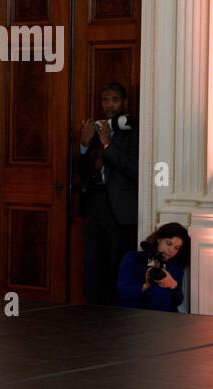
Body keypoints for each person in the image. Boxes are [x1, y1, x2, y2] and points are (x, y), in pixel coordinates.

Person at [77, 82, 139, 303]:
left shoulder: (134, 132)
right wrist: (84, 145)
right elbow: (80, 170)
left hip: (120, 209)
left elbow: (134, 170)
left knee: (117, 262)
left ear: (124, 102)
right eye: (105, 100)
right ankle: (94, 312)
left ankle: (117, 315)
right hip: (95, 203)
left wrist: (107, 145)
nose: (109, 105)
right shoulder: (96, 128)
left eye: (114, 100)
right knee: (93, 261)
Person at [116, 222, 188, 312]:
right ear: (159, 239)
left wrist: (173, 284)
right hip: (136, 314)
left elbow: (178, 301)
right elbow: (121, 292)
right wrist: (145, 286)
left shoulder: (176, 266)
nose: (171, 250)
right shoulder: (133, 258)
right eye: (169, 244)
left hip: (165, 317)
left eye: (176, 248)